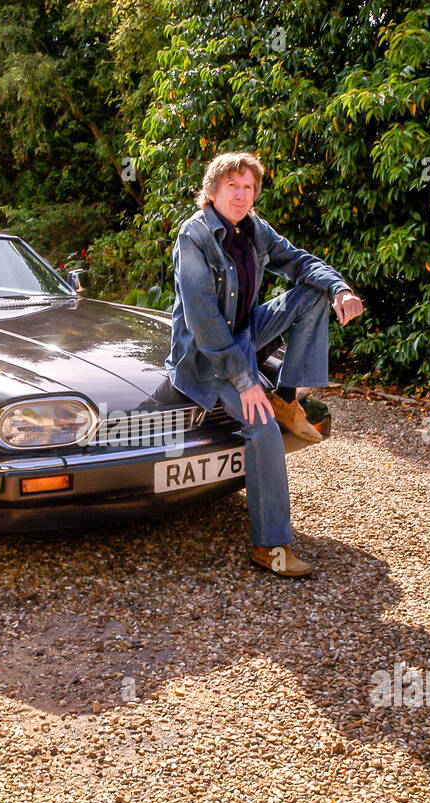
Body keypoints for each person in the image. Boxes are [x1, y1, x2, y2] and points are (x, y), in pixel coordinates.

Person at [166, 151, 365, 577]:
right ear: (213, 190)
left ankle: (288, 396)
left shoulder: (255, 229)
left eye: (249, 187)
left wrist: (340, 289)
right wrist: (245, 380)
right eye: (232, 186)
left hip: (245, 333)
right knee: (263, 429)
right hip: (206, 356)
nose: (241, 195)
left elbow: (301, 262)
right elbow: (203, 321)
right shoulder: (194, 236)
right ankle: (270, 548)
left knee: (313, 291)